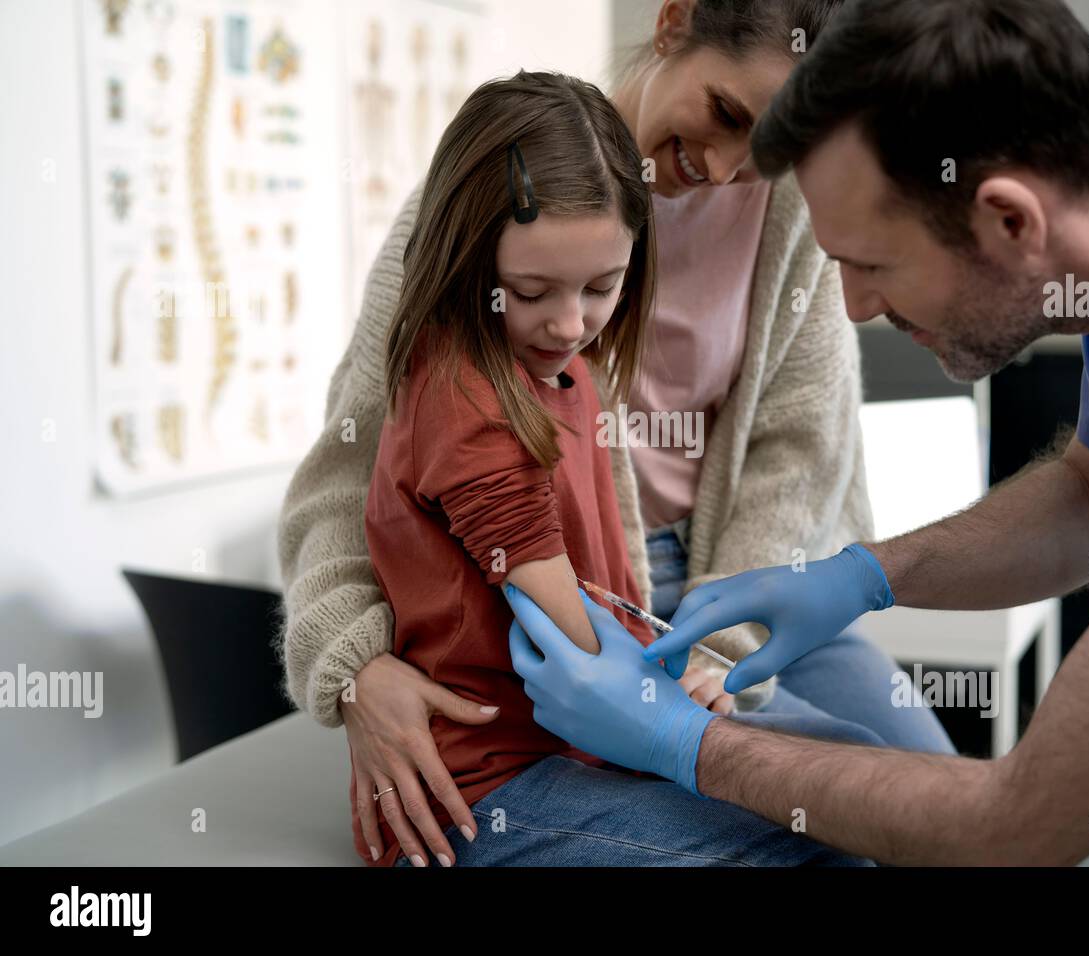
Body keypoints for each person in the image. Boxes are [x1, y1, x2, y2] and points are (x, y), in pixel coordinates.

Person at [504, 0, 1089, 865]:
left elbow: (1023, 827)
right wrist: (869, 575)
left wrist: (684, 744)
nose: (852, 309)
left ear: (1010, 222)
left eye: (870, 265)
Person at [278, 0, 952, 868]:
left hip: (732, 595)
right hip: (575, 633)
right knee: (821, 831)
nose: (726, 167)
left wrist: (714, 658)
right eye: (727, 115)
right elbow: (344, 482)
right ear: (674, 23)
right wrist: (354, 668)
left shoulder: (784, 231)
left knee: (918, 801)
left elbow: (797, 461)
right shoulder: (483, 210)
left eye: (776, 147)